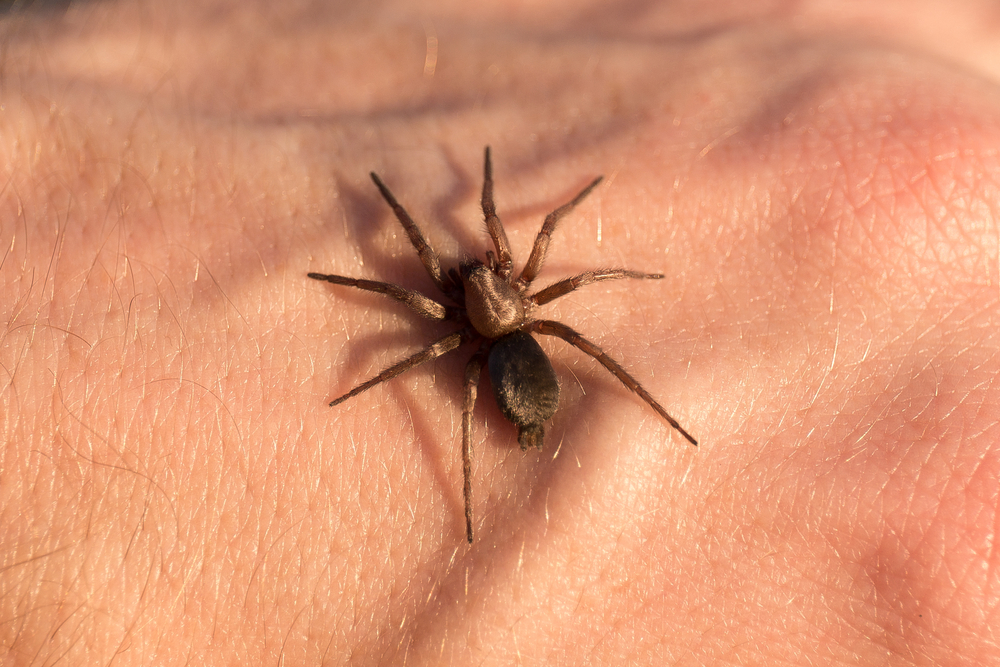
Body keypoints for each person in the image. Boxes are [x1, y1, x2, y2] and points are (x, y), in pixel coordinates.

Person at [2, 0, 997, 663]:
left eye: (486, 269)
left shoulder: (470, 315)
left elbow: (471, 293)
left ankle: (597, 423)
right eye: (481, 271)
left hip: (512, 359)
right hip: (512, 354)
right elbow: (442, 305)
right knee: (500, 315)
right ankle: (495, 464)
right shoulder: (481, 309)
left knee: (530, 318)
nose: (479, 266)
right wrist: (387, 237)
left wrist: (565, 258)